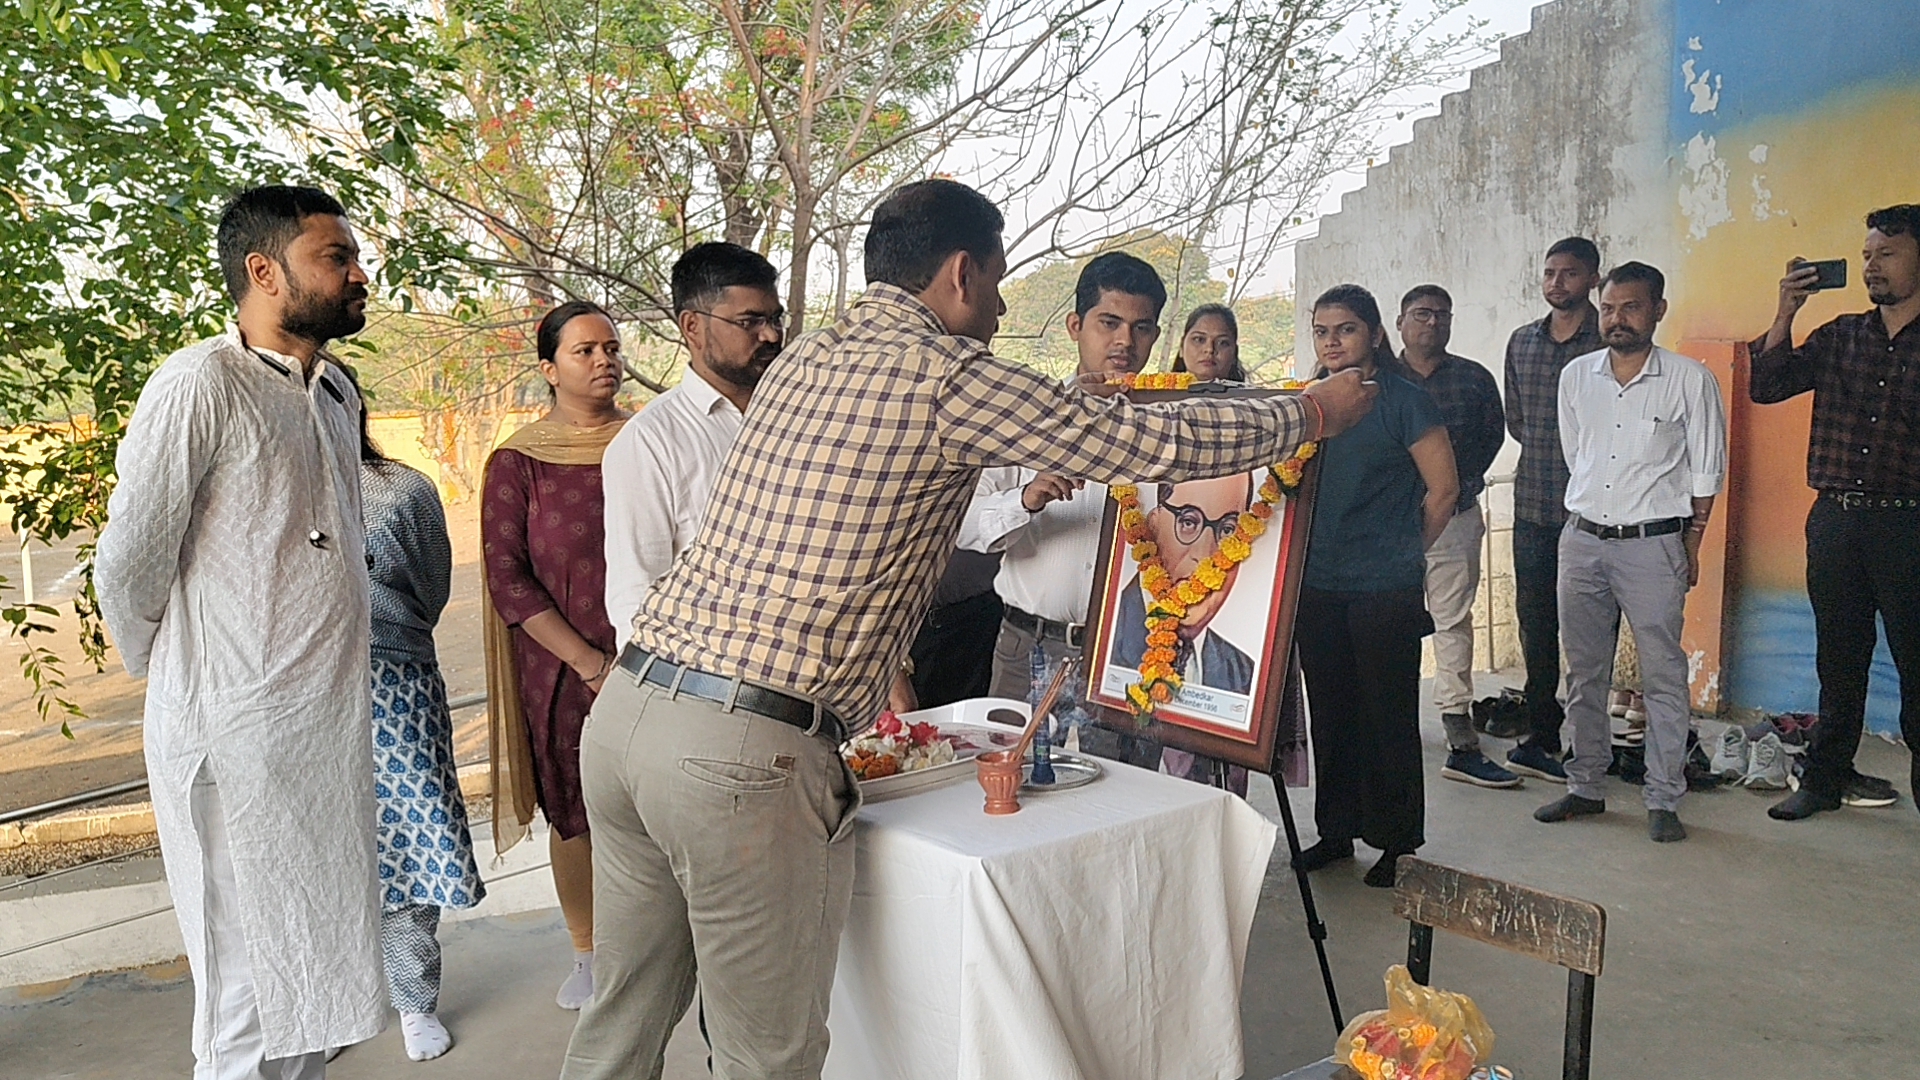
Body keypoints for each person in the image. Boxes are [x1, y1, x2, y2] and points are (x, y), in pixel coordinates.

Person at [557, 178, 1377, 1079]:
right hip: (741, 755)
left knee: (622, 1021)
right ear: (958, 273)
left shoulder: (802, 360)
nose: (994, 303)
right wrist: (1310, 412)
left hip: (633, 719)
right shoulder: (942, 376)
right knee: (770, 1056)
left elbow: (1087, 428)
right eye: (993, 278)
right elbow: (1140, 444)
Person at [95, 184, 383, 1078]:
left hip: (325, 734)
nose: (357, 273)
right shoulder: (197, 384)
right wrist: (182, 676)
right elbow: (130, 561)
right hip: (232, 735)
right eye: (335, 257)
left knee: (314, 978)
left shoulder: (334, 390)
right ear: (264, 270)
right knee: (245, 993)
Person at [1532, 262, 1726, 843]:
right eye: (1610, 307)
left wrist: (1691, 544)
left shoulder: (1690, 380)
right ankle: (1585, 785)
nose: (1618, 319)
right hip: (1584, 539)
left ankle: (1663, 797)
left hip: (1653, 545)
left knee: (1663, 676)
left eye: (1632, 307)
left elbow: (1706, 469)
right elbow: (1578, 455)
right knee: (1584, 672)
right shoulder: (1576, 376)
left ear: (1658, 310)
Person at [965, 252, 1170, 771]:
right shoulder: (1022, 417)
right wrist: (1026, 499)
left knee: (1124, 800)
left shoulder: (1170, 434)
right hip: (1026, 645)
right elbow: (968, 526)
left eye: (1140, 327)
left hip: (1130, 654)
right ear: (1075, 325)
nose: (1124, 341)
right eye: (1109, 323)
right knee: (1011, 792)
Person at [481, 300, 630, 1010]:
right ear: (549, 368)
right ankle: (587, 952)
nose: (604, 361)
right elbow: (505, 575)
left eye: (611, 348)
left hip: (658, 653)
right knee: (576, 807)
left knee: (661, 801)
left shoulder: (648, 439)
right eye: (584, 351)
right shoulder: (519, 461)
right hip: (563, 661)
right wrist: (589, 662)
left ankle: (662, 943)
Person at [1751, 205, 1920, 820]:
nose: (1873, 265)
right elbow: (1766, 385)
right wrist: (1785, 314)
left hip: (1910, 524)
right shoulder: (1842, 334)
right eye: (1869, 254)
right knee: (1839, 661)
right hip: (1838, 520)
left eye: (1889, 253)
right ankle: (1824, 782)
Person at [1293, 284, 1459, 888]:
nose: (1332, 342)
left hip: (1384, 588)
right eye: (1321, 331)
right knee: (1331, 712)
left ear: (1375, 336)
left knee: (1386, 715)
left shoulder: (1404, 401)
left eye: (1346, 329)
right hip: (1317, 584)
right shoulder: (1307, 403)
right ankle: (1335, 830)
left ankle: (1397, 842)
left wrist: (1403, 554)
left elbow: (1443, 491)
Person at [355, 387, 484, 1062]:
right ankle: (336, 1003)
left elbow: (432, 588)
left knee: (408, 845)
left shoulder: (404, 490)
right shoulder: (262, 494)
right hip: (294, 698)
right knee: (320, 853)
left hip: (395, 683)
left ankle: (414, 1000)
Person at [602, 241, 783, 638]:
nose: (770, 335)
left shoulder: (803, 417)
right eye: (749, 321)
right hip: (712, 680)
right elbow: (635, 595)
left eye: (775, 318)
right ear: (692, 327)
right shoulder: (649, 442)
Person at [1393, 285, 1517, 789]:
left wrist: (1459, 486)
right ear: (1400, 321)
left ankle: (1455, 717)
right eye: (1422, 314)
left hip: (1455, 516)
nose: (1433, 324)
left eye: (1442, 315)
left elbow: (1494, 434)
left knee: (1452, 619)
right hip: (1389, 523)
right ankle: (1394, 715)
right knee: (1391, 619)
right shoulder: (1380, 376)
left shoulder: (1473, 378)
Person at [1501, 237, 1605, 781]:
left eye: (1569, 273)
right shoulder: (1522, 342)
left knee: (1592, 632)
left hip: (1595, 515)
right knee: (1535, 626)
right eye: (1549, 272)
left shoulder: (1609, 342)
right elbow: (1517, 420)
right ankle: (1541, 733)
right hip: (1535, 505)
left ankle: (1591, 744)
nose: (1556, 282)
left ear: (1592, 278)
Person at [1110, 474, 1258, 694]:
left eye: (1228, 530)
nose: (1204, 556)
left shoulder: (1243, 674)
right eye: (1188, 522)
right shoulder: (1107, 639)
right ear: (1153, 524)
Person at [1172, 303, 1249, 381]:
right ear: (1182, 346)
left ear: (1235, 353)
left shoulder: (1253, 393)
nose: (1210, 349)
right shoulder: (1161, 392)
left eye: (1222, 343)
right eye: (1199, 339)